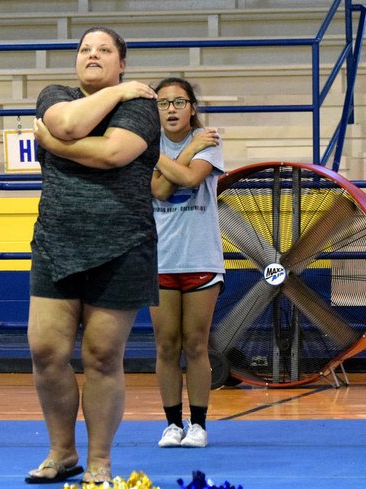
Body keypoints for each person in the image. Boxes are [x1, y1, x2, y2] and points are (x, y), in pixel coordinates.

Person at [25, 26, 160, 485]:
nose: (93, 55)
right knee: (46, 350)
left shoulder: (142, 105)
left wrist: (52, 145)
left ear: (122, 61)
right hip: (55, 245)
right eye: (85, 49)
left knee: (103, 356)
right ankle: (62, 453)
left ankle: (100, 461)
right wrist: (113, 93)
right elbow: (66, 123)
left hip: (122, 246)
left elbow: (112, 154)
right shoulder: (55, 94)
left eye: (105, 50)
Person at [149, 77, 224, 448]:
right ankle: (172, 424)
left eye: (179, 102)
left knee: (195, 344)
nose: (172, 109)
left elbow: (191, 179)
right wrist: (181, 150)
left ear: (192, 107)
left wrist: (182, 151)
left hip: (200, 257)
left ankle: (198, 424)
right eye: (163, 103)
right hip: (160, 260)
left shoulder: (209, 141)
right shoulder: (146, 143)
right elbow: (160, 189)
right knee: (165, 345)